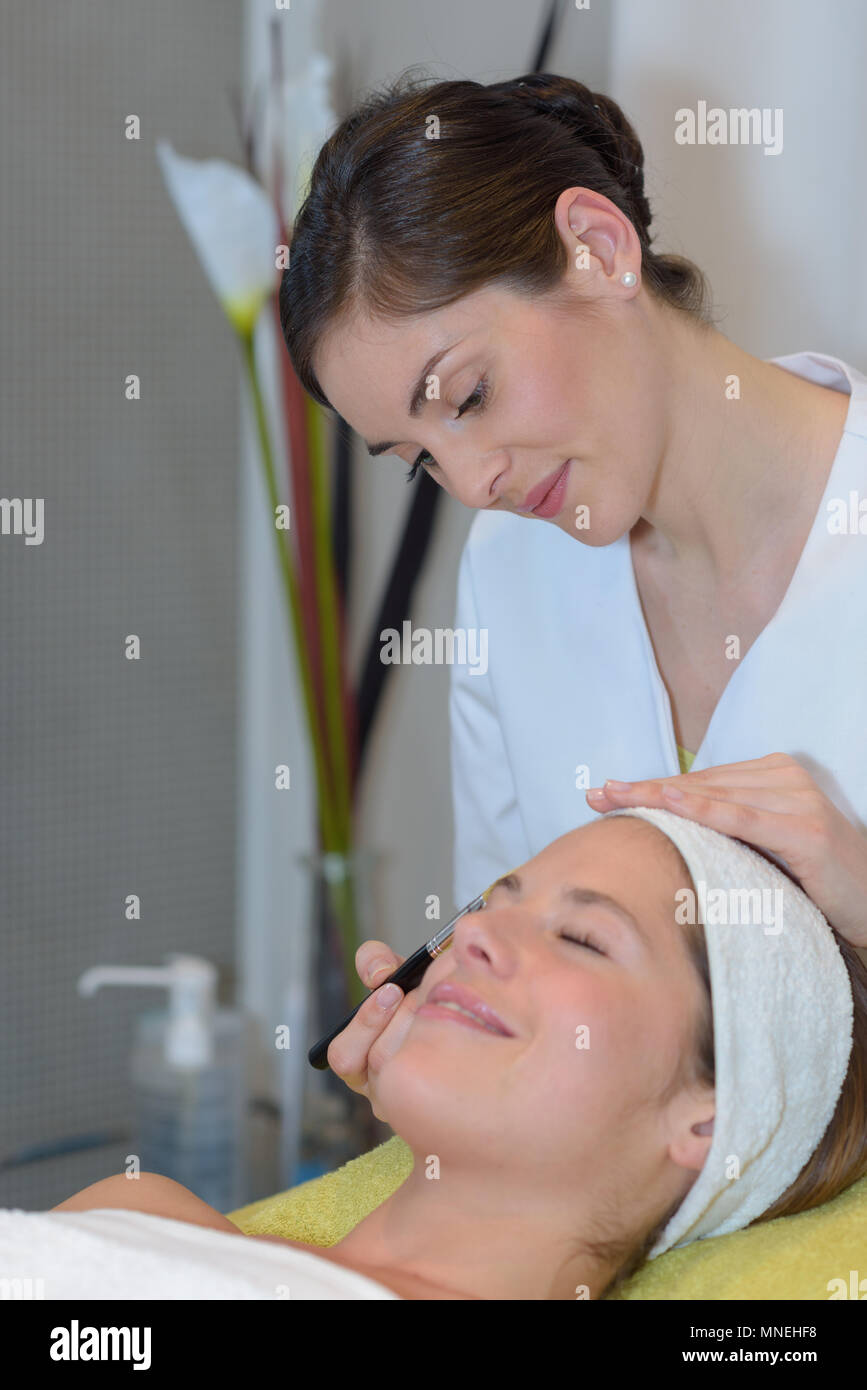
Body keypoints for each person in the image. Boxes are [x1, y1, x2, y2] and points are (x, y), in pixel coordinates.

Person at [280, 70, 867, 962]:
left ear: (598, 246)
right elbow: (518, 974)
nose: (473, 484)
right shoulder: (508, 568)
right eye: (420, 462)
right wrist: (437, 1066)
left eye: (469, 396)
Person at [25, 811, 867, 1301]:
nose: (470, 933)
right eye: (487, 903)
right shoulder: (137, 1206)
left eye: (581, 937)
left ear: (710, 1116)